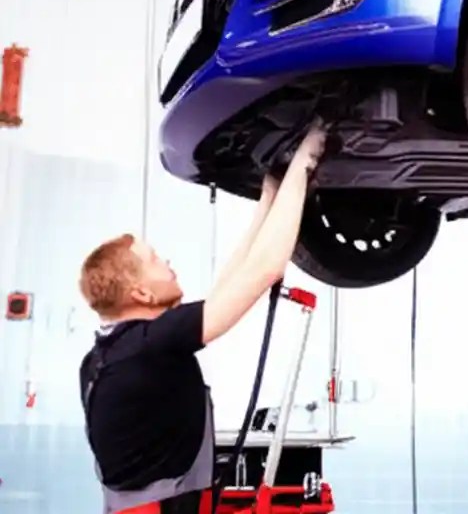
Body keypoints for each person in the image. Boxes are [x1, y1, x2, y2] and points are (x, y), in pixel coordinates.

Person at [77, 123, 328, 514]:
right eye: (155, 261)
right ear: (141, 294)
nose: (167, 263)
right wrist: (304, 161)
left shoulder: (110, 354)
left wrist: (270, 193)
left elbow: (230, 286)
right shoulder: (149, 347)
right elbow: (265, 270)